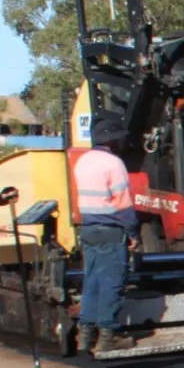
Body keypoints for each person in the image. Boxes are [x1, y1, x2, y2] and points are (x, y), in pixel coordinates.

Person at [68, 130, 139, 354]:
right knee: (112, 281)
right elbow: (123, 202)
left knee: (93, 280)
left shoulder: (83, 161)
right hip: (110, 229)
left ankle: (86, 334)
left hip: (88, 228)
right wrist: (133, 232)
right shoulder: (113, 163)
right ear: (112, 139)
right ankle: (108, 336)